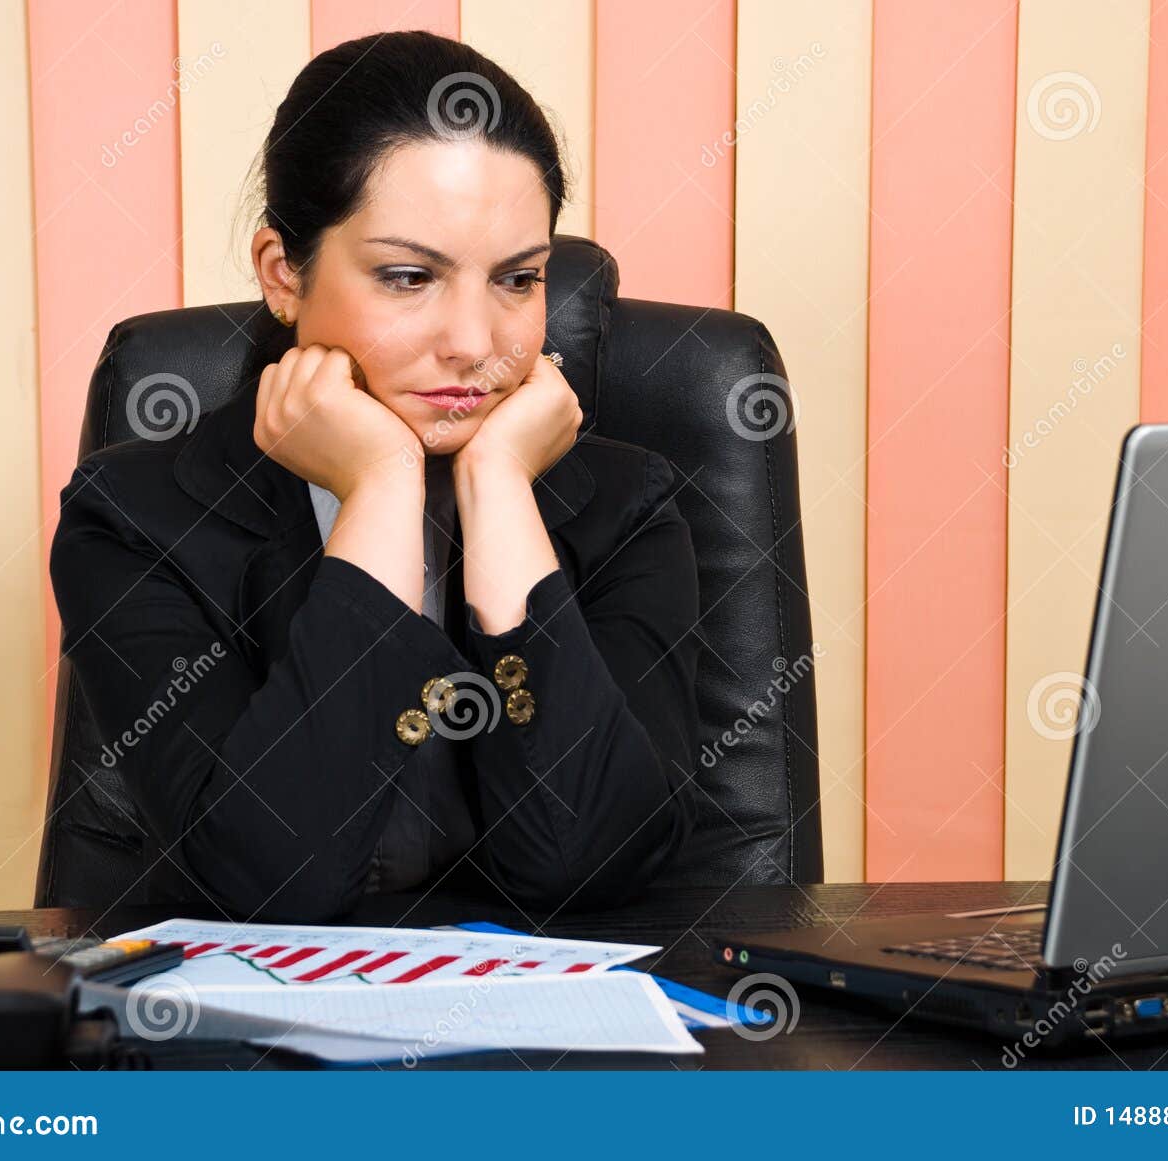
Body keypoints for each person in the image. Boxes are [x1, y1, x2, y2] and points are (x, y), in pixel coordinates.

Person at [48, 31, 700, 923]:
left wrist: (502, 484)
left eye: (518, 279)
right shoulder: (133, 519)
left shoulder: (631, 511)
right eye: (407, 276)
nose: (474, 342)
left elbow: (587, 867)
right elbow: (274, 885)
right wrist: (384, 487)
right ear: (284, 274)